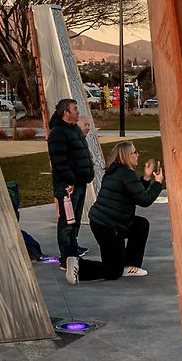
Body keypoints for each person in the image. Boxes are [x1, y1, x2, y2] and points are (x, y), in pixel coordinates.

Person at [71, 141, 162, 283]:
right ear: (126, 155)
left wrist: (146, 178)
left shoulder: (115, 170)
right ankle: (79, 267)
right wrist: (157, 183)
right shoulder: (126, 174)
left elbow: (134, 193)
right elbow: (144, 200)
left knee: (140, 224)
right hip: (108, 226)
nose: (137, 155)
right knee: (113, 271)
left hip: (104, 222)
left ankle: (130, 266)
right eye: (134, 152)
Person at [46, 98, 95, 266]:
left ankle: (74, 253)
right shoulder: (58, 133)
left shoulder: (73, 130)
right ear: (66, 113)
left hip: (79, 183)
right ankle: (66, 258)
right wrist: (70, 181)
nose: (77, 111)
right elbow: (59, 161)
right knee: (67, 222)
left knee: (75, 222)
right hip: (68, 186)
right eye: (74, 109)